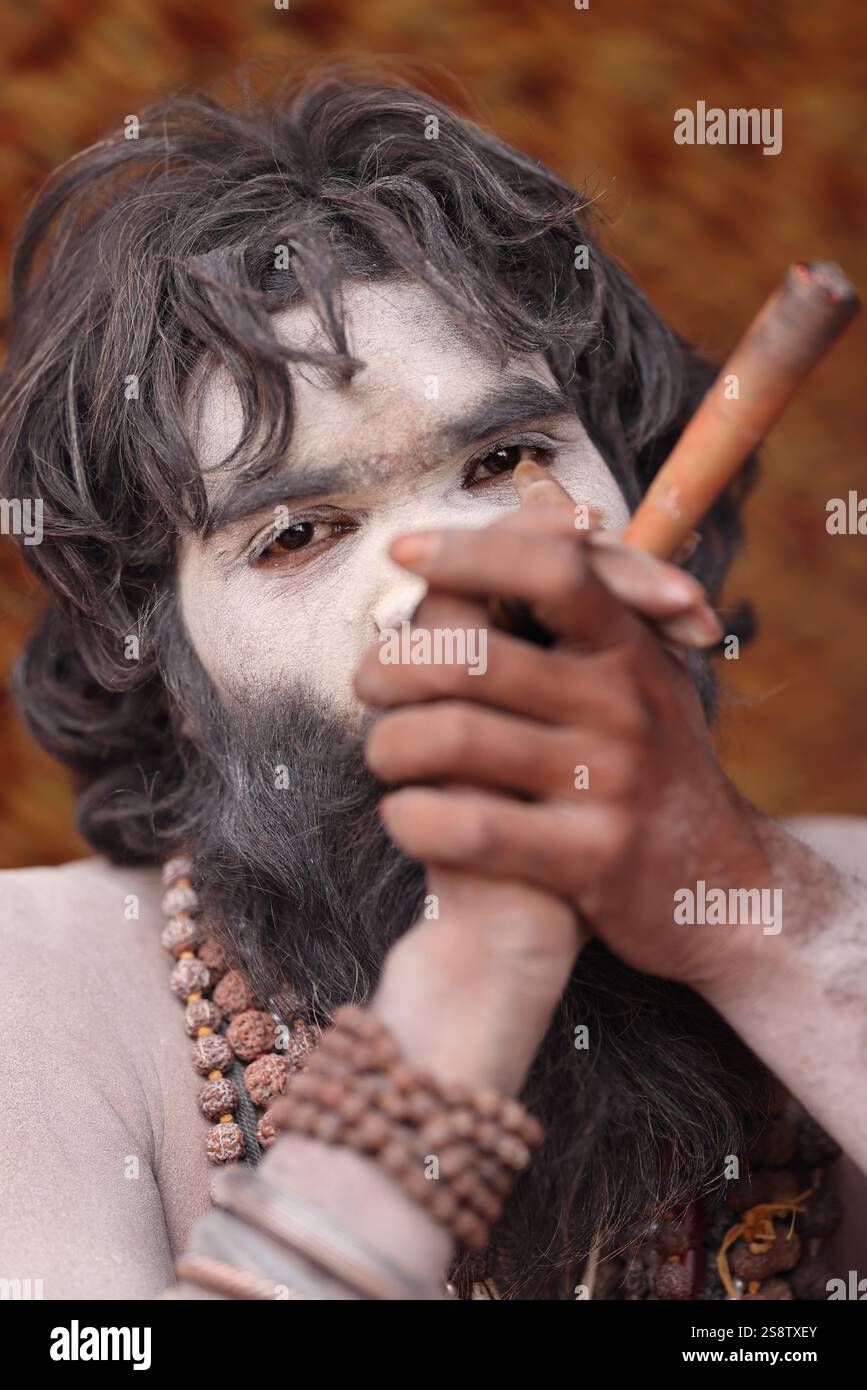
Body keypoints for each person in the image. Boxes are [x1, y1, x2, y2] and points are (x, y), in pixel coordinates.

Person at [1, 67, 865, 1301]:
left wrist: (757, 920)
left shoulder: (829, 915)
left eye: (507, 457)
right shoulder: (37, 1007)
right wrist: (485, 960)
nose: (456, 583)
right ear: (168, 676)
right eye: (299, 532)